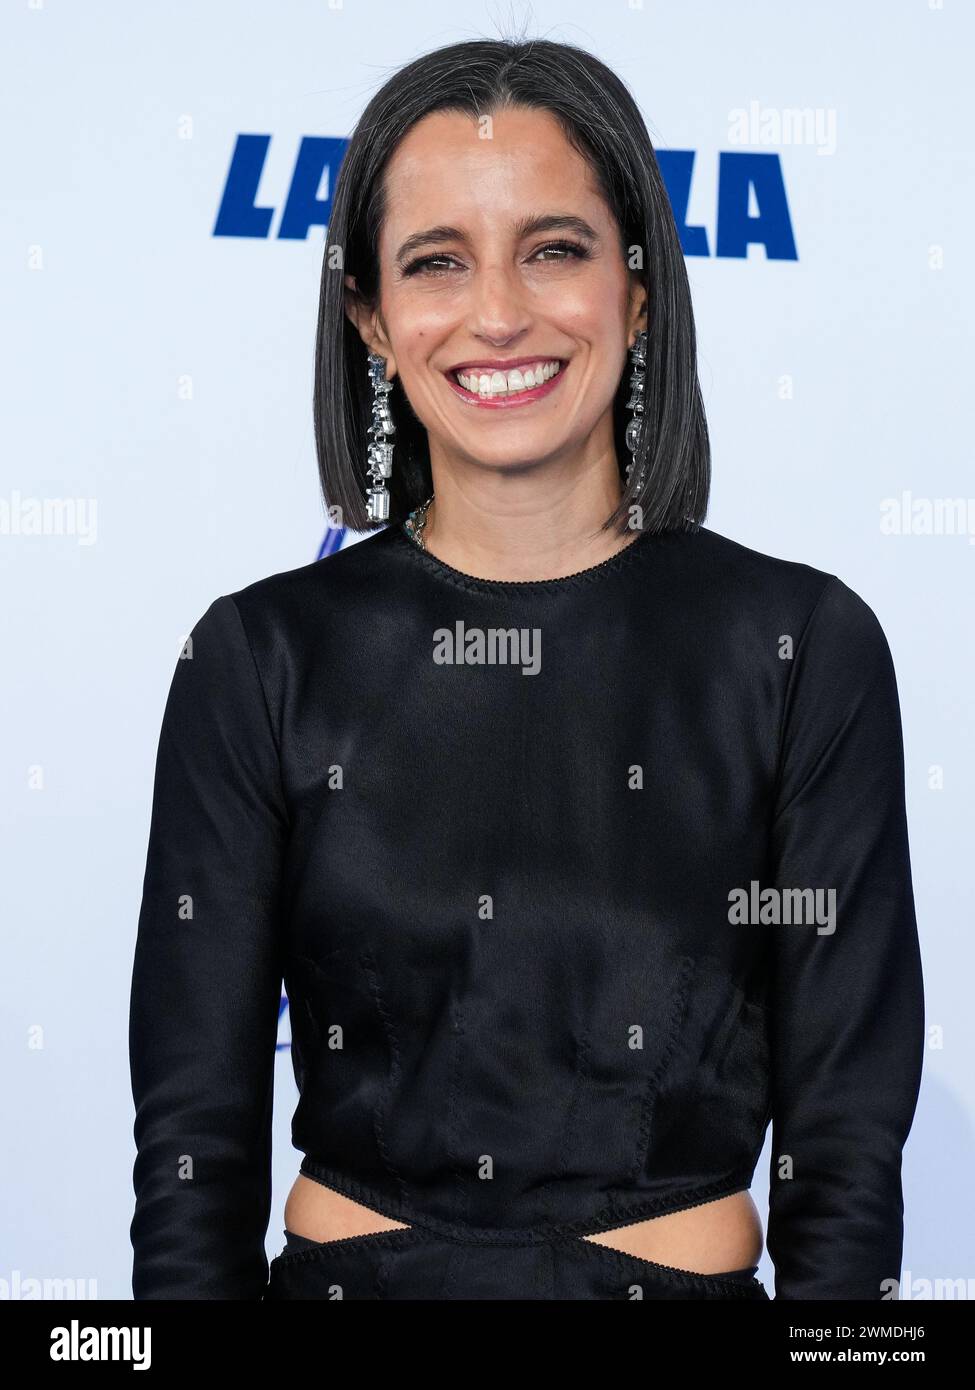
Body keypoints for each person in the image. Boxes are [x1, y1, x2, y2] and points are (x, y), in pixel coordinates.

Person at [128, 37, 925, 1301]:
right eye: (435, 262)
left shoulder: (803, 648)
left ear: (641, 286)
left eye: (553, 248)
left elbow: (847, 1159)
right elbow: (190, 1151)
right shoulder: (256, 658)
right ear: (373, 320)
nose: (498, 312)